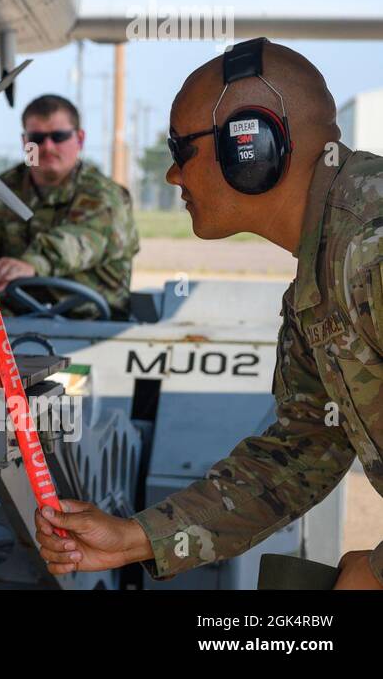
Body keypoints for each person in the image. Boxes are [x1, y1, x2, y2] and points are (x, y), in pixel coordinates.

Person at [34, 39, 382, 589]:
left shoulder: (371, 248)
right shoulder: (319, 277)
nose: (173, 176)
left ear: (252, 145)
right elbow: (303, 452)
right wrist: (138, 538)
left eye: (181, 148)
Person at [0, 94, 139, 319]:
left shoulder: (106, 196)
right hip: (11, 324)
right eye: (37, 138)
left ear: (80, 139)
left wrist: (30, 264)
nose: (48, 147)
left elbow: (81, 241)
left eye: (59, 136)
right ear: (25, 142)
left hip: (95, 327)